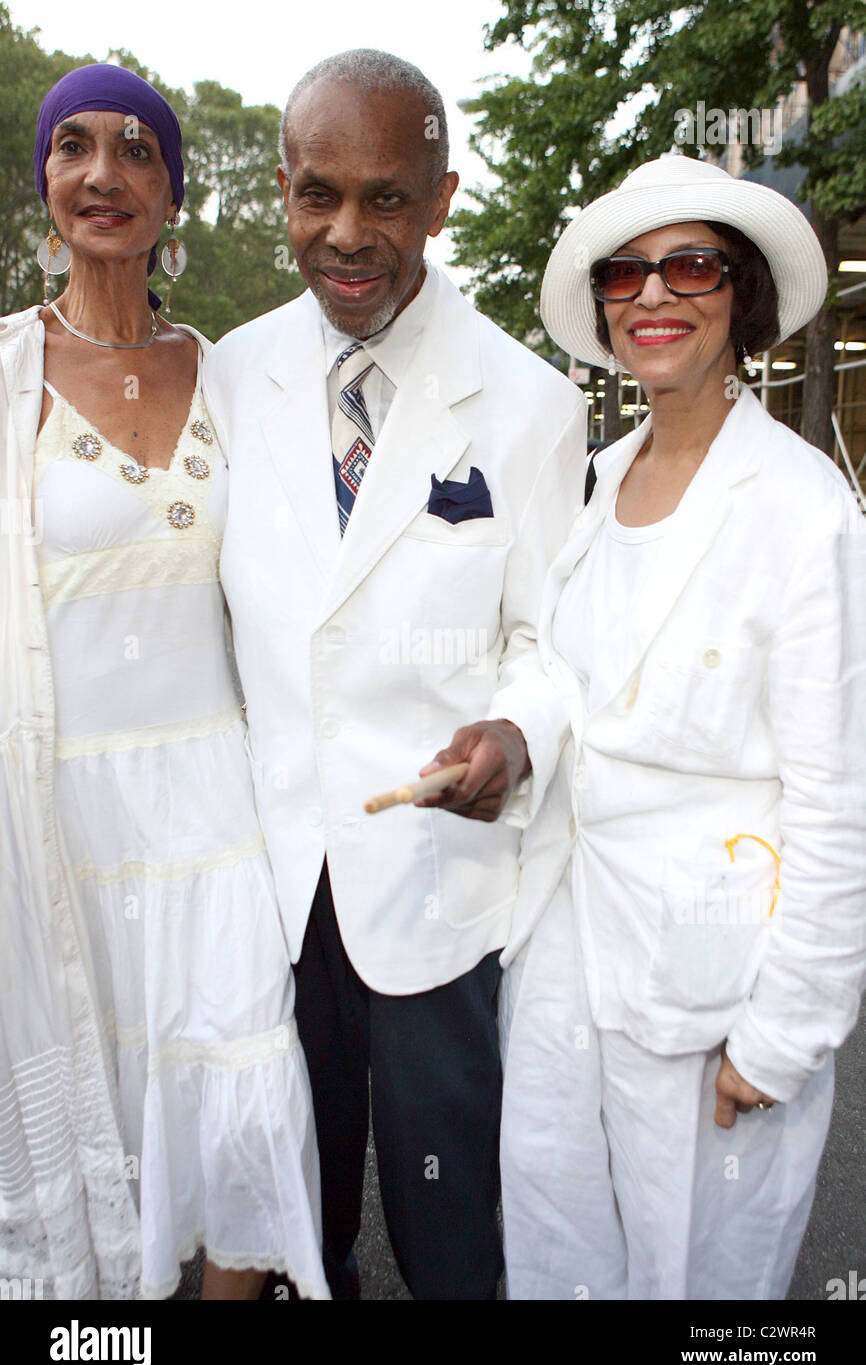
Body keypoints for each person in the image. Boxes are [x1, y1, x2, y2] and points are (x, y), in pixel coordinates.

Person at [436, 152, 866, 1299]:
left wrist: (783, 1034)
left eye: (690, 266)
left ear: (740, 297)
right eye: (625, 273)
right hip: (570, 943)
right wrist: (509, 733)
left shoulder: (796, 504)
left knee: (701, 1282)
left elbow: (838, 800)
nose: (654, 295)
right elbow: (564, 679)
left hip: (715, 977)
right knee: (561, 1245)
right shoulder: (594, 477)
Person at [202, 48, 588, 1300]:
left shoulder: (527, 403)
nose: (348, 234)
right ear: (281, 191)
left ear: (443, 196)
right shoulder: (229, 375)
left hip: (433, 880)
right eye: (319, 195)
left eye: (386, 198)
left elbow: (547, 635)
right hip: (271, 877)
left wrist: (515, 732)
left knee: (450, 1226)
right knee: (287, 1217)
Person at [0, 63, 329, 1301]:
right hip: (54, 823)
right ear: (46, 181)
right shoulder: (4, 377)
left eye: (135, 150)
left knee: (239, 1105)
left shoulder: (235, 373)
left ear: (170, 193)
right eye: (73, 146)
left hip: (215, 804)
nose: (102, 173)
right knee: (99, 1103)